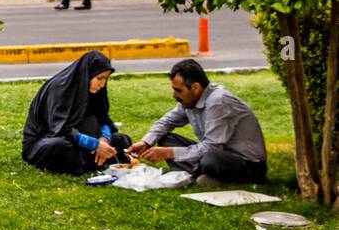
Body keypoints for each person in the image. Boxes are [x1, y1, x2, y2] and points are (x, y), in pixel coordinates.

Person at [129, 59, 268, 187]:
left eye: (178, 90)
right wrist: (145, 143)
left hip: (247, 165)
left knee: (210, 159)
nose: (174, 95)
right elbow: (166, 122)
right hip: (215, 153)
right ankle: (203, 176)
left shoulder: (218, 102)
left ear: (195, 88)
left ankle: (201, 175)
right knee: (166, 139)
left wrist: (169, 153)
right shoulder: (190, 100)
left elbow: (212, 148)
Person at [23, 50, 131, 175]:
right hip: (47, 140)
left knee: (122, 141)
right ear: (87, 74)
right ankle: (88, 162)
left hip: (81, 140)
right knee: (59, 146)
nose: (102, 84)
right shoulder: (60, 88)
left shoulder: (96, 91)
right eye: (99, 78)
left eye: (106, 79)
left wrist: (104, 140)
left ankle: (88, 160)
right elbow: (60, 129)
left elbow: (103, 120)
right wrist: (94, 144)